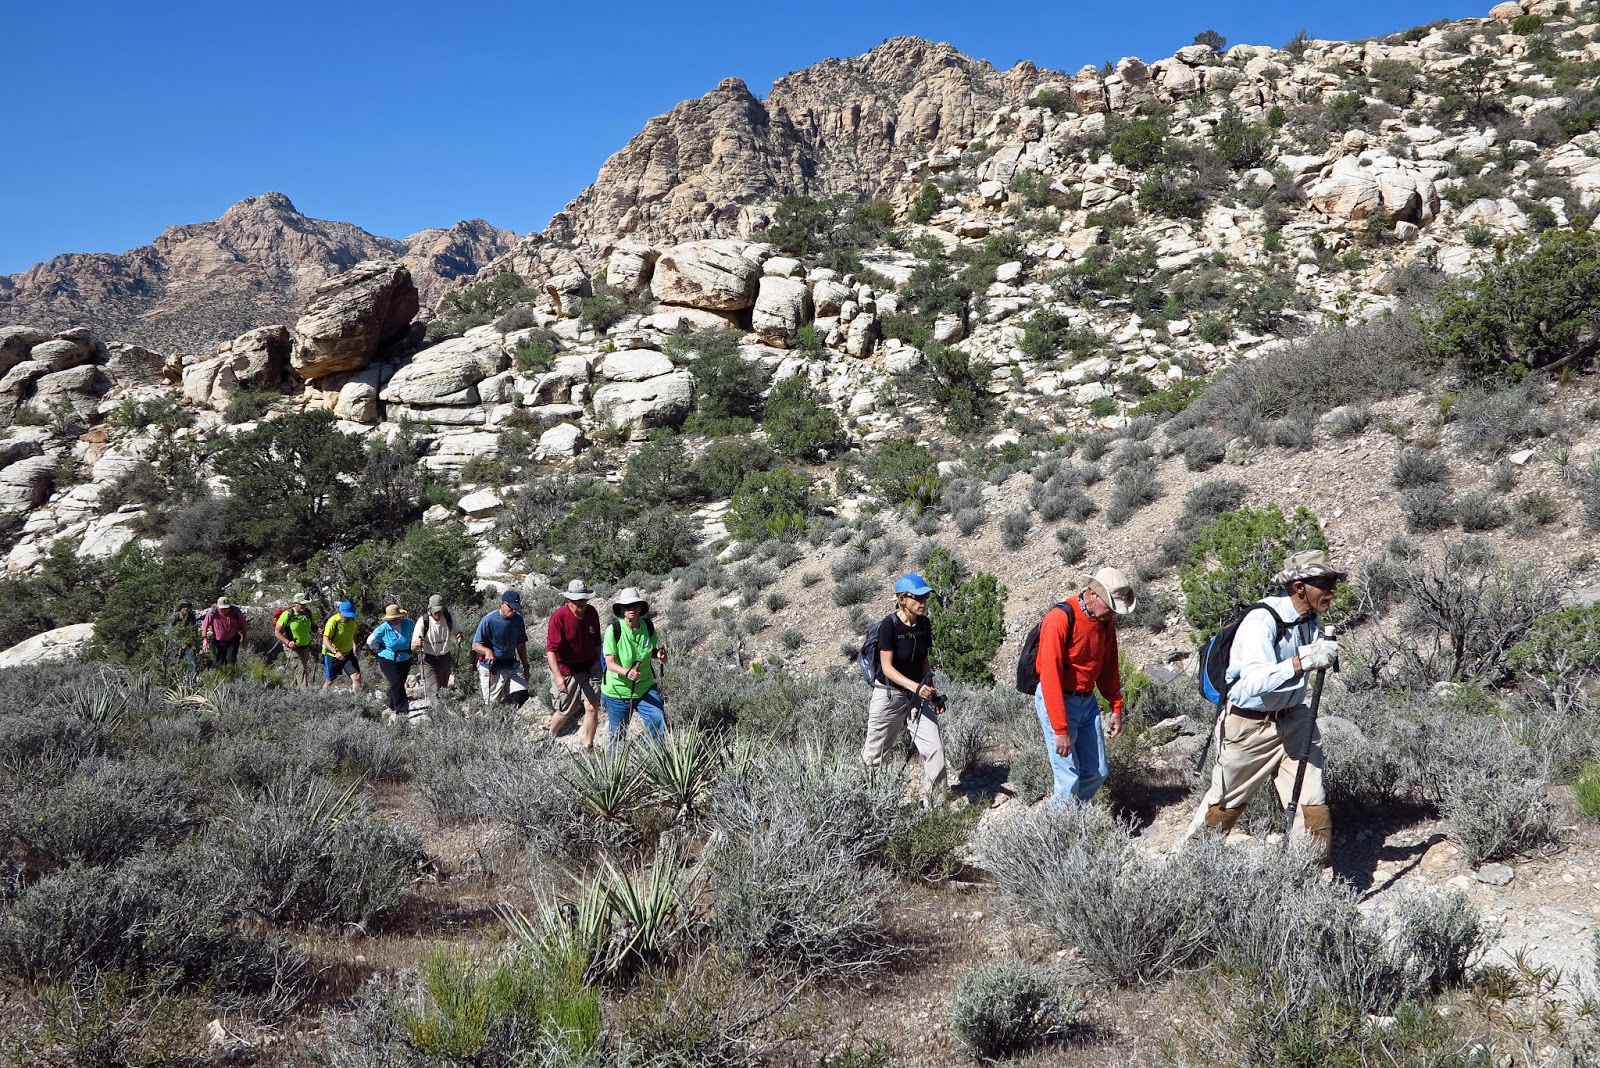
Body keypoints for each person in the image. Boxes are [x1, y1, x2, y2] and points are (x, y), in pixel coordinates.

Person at [1186, 549, 1344, 862]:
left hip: (1296, 722)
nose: (1333, 590)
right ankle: (1190, 871)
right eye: (1325, 582)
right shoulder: (1261, 620)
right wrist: (1302, 662)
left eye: (1333, 581)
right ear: (1300, 587)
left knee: (1312, 806)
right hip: (1249, 728)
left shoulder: (1311, 619)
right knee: (1223, 806)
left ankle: (1310, 881)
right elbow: (1254, 681)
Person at [1033, 567, 1136, 804]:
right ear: (1093, 595)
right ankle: (1058, 833)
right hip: (1058, 701)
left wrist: (1116, 707)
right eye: (1111, 607)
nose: (1113, 614)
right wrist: (1060, 730)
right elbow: (1050, 678)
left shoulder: (1104, 622)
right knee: (1068, 778)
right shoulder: (1059, 619)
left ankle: (1073, 820)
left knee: (1096, 773)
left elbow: (1109, 666)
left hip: (1087, 702)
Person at [862, 573, 949, 800]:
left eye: (925, 598)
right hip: (889, 695)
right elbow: (887, 668)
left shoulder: (924, 624)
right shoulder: (888, 626)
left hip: (917, 696)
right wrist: (916, 687)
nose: (923, 603)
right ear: (902, 599)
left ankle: (937, 806)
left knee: (935, 749)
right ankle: (867, 803)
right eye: (917, 598)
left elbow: (923, 661)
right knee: (875, 754)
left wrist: (932, 692)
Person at [601, 587, 667, 746]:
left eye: (635, 605)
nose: (631, 609)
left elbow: (649, 651)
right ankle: (615, 766)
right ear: (621, 609)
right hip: (618, 691)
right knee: (618, 735)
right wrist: (627, 672)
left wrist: (658, 655)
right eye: (627, 606)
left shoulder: (648, 627)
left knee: (658, 719)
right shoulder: (614, 630)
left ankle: (655, 760)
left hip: (645, 686)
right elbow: (610, 663)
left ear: (640, 608)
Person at [546, 578, 603, 748]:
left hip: (589, 666)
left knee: (592, 706)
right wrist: (558, 677)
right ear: (569, 599)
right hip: (567, 669)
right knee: (565, 711)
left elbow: (596, 643)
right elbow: (551, 650)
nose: (581, 604)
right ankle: (551, 735)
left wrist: (599, 665)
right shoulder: (559, 618)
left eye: (584, 599)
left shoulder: (592, 613)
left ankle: (588, 745)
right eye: (577, 600)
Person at [473, 589, 532, 706]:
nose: (513, 611)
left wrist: (526, 666)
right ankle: (497, 720)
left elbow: (520, 645)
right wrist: (487, 651)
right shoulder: (489, 620)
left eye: (516, 608)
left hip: (511, 664)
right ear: (502, 603)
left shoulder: (518, 620)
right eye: (511, 607)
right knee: (491, 705)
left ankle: (507, 716)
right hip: (491, 668)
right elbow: (475, 645)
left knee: (521, 694)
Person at [411, 594, 464, 707]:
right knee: (433, 687)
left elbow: (457, 631)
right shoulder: (423, 621)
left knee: (443, 686)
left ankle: (442, 707)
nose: (438, 614)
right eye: (436, 611)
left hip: (445, 656)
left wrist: (459, 636)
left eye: (440, 611)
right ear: (430, 609)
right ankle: (438, 711)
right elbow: (413, 646)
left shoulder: (449, 618)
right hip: (428, 658)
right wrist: (417, 644)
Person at [368, 604, 417, 716]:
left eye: (397, 617)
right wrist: (380, 647)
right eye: (393, 619)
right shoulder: (383, 628)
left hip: (405, 658)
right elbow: (370, 641)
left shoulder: (408, 624)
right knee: (397, 683)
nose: (395, 620)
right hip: (388, 659)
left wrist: (414, 644)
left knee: (399, 682)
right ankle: (402, 710)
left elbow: (416, 633)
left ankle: (391, 702)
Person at [273, 595, 318, 686]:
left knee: (301, 669)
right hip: (291, 648)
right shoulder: (287, 615)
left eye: (305, 604)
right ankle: (305, 693)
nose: (304, 606)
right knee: (300, 668)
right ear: (295, 603)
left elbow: (314, 627)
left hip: (305, 647)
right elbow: (277, 632)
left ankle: (294, 691)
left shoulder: (309, 614)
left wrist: (318, 630)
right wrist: (288, 642)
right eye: (301, 604)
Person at [322, 600, 364, 694]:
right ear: (340, 612)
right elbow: (325, 640)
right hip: (332, 656)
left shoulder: (352, 621)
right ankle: (322, 699)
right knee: (330, 681)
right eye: (346, 615)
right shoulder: (333, 621)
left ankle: (357, 700)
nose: (348, 617)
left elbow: (353, 634)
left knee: (356, 676)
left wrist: (354, 646)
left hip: (348, 653)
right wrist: (335, 652)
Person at [200, 596, 247, 667]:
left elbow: (243, 624)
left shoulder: (235, 611)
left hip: (232, 640)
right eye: (222, 609)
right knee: (219, 663)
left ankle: (231, 676)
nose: (224, 610)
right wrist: (205, 639)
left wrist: (245, 638)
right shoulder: (213, 612)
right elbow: (204, 626)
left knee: (231, 661)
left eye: (226, 608)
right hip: (218, 642)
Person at [166, 598, 200, 683]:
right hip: (175, 646)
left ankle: (192, 684)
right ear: (179, 608)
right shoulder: (174, 617)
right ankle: (172, 684)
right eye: (183, 606)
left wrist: (195, 643)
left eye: (187, 606)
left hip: (188, 645)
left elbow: (194, 630)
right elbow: (168, 632)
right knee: (173, 666)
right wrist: (178, 643)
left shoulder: (191, 617)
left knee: (192, 665)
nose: (185, 608)